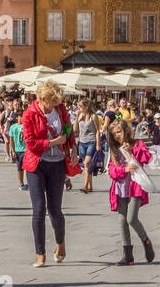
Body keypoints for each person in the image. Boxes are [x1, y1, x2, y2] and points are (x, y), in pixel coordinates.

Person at [21, 80, 75, 267]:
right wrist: (53, 142)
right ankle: (40, 254)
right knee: (38, 209)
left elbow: (69, 129)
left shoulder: (60, 110)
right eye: (52, 101)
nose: (55, 104)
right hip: (36, 164)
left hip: (57, 164)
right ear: (42, 99)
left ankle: (60, 243)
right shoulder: (29, 114)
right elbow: (30, 143)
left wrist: (73, 148)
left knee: (55, 210)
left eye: (57, 101)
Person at [106, 119, 155, 265]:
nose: (117, 136)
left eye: (119, 132)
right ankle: (127, 254)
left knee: (131, 219)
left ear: (126, 130)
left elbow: (147, 158)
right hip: (121, 186)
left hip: (135, 185)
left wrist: (131, 150)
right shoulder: (114, 149)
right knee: (122, 221)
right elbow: (112, 170)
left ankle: (146, 241)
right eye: (114, 134)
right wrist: (123, 169)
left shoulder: (137, 143)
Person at [74, 102, 98, 194]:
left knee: (87, 163)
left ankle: (85, 186)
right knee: (86, 165)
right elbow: (75, 129)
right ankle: (90, 186)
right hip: (82, 142)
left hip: (91, 141)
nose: (78, 108)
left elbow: (97, 131)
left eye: (80, 106)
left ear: (86, 107)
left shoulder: (93, 116)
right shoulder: (80, 116)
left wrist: (98, 144)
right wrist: (76, 117)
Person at [9, 109, 28, 191]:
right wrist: (12, 151)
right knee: (19, 168)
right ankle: (21, 183)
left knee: (28, 168)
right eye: (21, 117)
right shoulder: (13, 127)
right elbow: (11, 140)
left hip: (26, 150)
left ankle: (30, 182)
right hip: (17, 150)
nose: (23, 118)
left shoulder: (27, 126)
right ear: (17, 117)